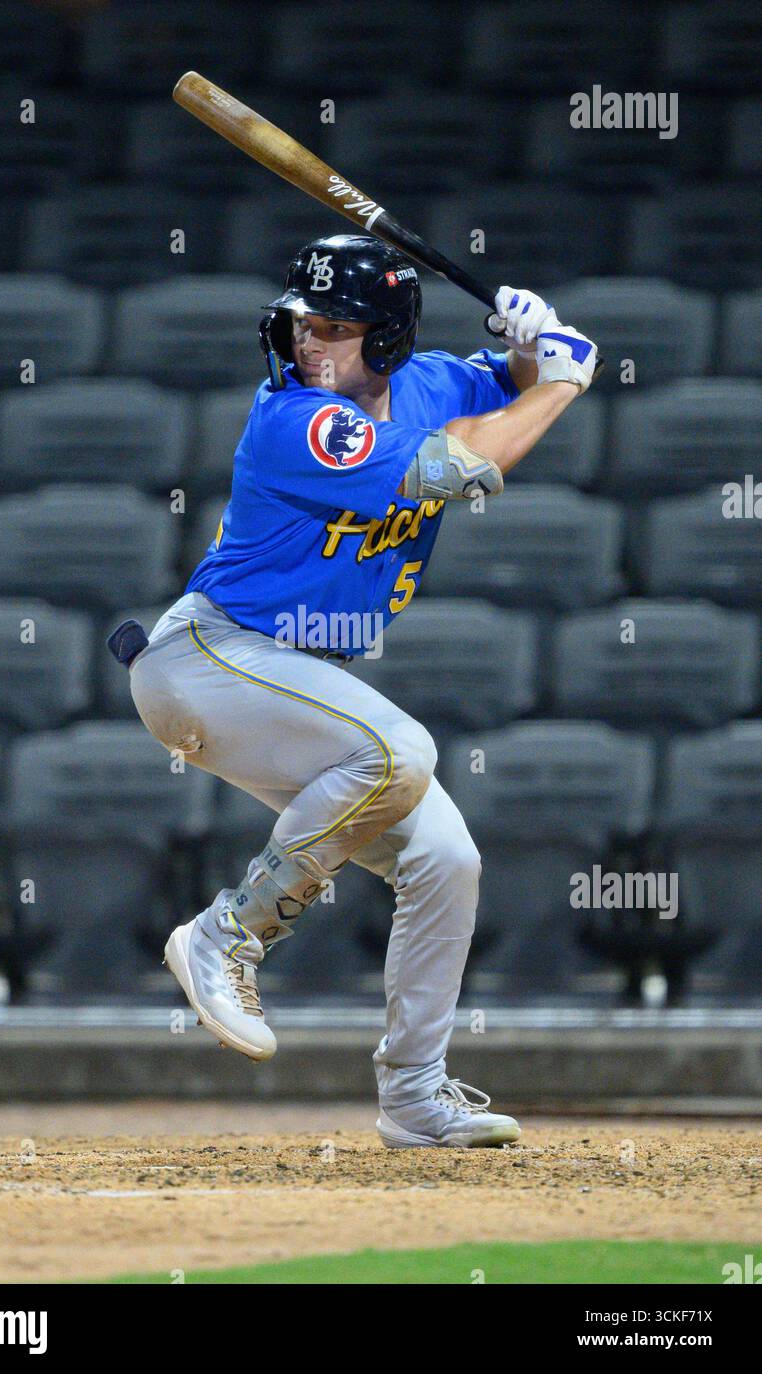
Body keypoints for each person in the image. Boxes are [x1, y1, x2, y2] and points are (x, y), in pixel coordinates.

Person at [117, 233, 599, 1148]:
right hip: (209, 662)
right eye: (304, 325)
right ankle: (228, 934)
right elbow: (464, 467)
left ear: (386, 341)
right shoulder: (293, 419)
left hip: (287, 683)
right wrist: (564, 382)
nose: (310, 346)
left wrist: (534, 343)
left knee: (444, 863)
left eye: (335, 329)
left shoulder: (428, 382)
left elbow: (500, 383)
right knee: (398, 752)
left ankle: (414, 1094)